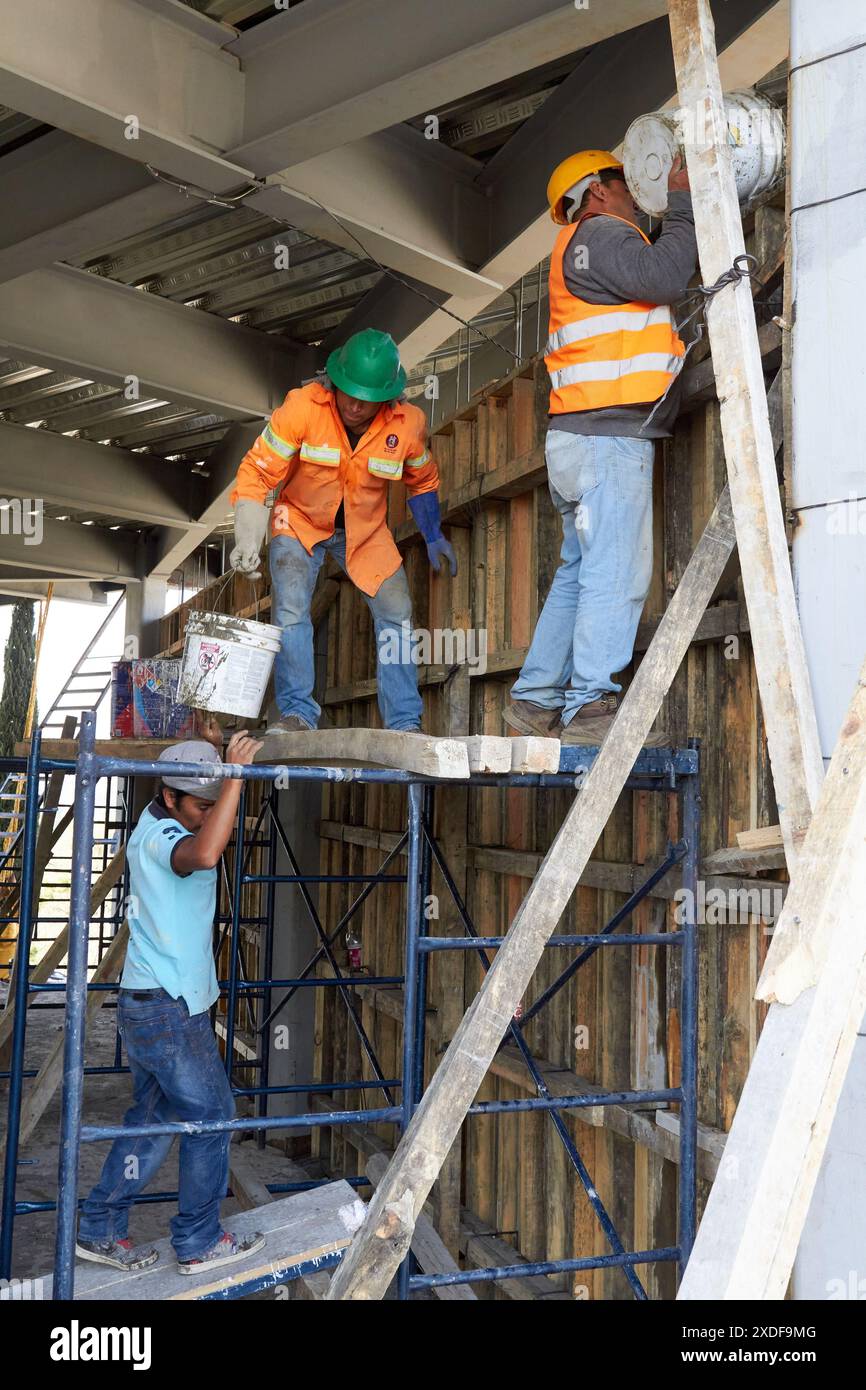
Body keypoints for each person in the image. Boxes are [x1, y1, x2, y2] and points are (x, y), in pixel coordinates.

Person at [504, 150, 697, 746]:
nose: (634, 194)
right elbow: (665, 276)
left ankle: (535, 701)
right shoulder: (604, 233)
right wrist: (685, 203)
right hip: (608, 442)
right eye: (623, 183)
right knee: (616, 572)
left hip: (575, 443)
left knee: (581, 571)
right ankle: (590, 706)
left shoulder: (577, 249)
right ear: (597, 192)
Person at [77, 722, 265, 1276]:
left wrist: (203, 734)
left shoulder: (164, 811)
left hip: (163, 1003)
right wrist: (234, 777)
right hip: (166, 1007)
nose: (208, 813)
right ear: (167, 797)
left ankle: (100, 1227)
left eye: (213, 804)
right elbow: (206, 856)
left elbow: (201, 815)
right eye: (198, 804)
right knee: (212, 1116)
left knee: (154, 1121)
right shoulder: (160, 839)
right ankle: (200, 1240)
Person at [229, 329, 456, 734]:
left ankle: (404, 723)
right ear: (335, 380)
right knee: (291, 611)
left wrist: (433, 533)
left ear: (387, 397)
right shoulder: (302, 408)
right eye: (349, 393)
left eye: (367, 399)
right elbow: (257, 472)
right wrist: (247, 535)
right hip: (298, 522)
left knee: (398, 615)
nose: (355, 406)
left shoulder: (408, 425)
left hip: (365, 532)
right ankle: (297, 713)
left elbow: (422, 480)